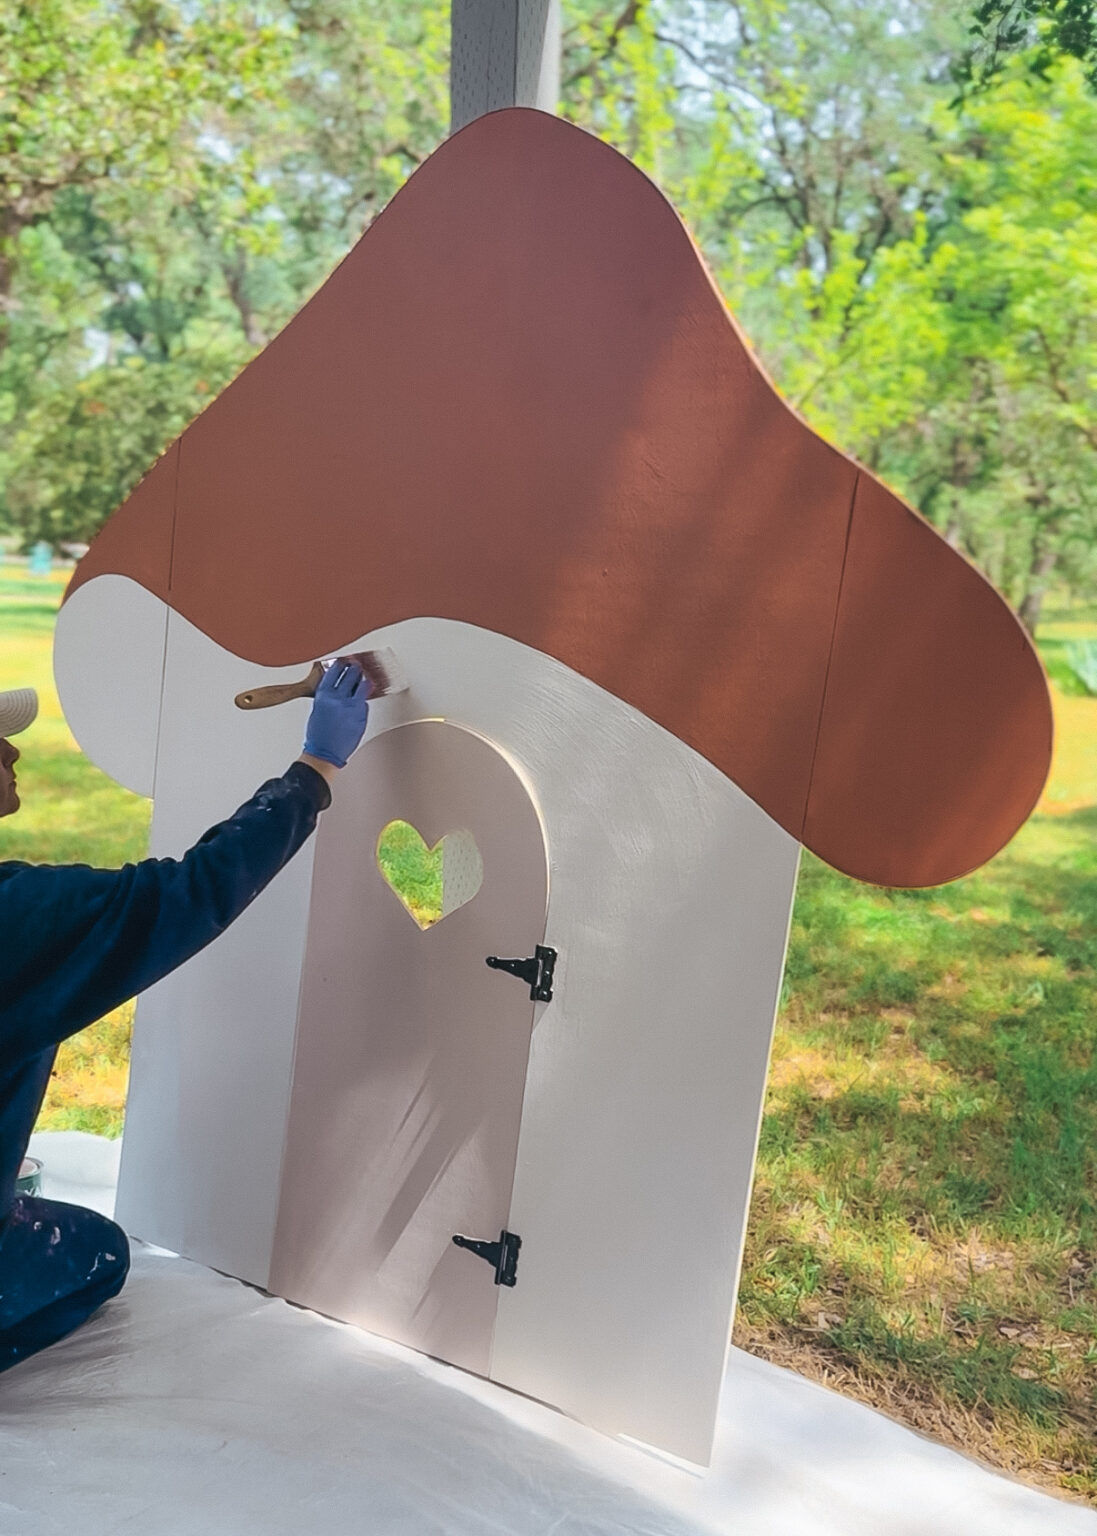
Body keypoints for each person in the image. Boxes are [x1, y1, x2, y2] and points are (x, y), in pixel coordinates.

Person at [0, 660, 370, 1373]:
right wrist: (316, 766)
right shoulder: (18, 917)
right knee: (97, 1253)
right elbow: (190, 891)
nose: (13, 751)